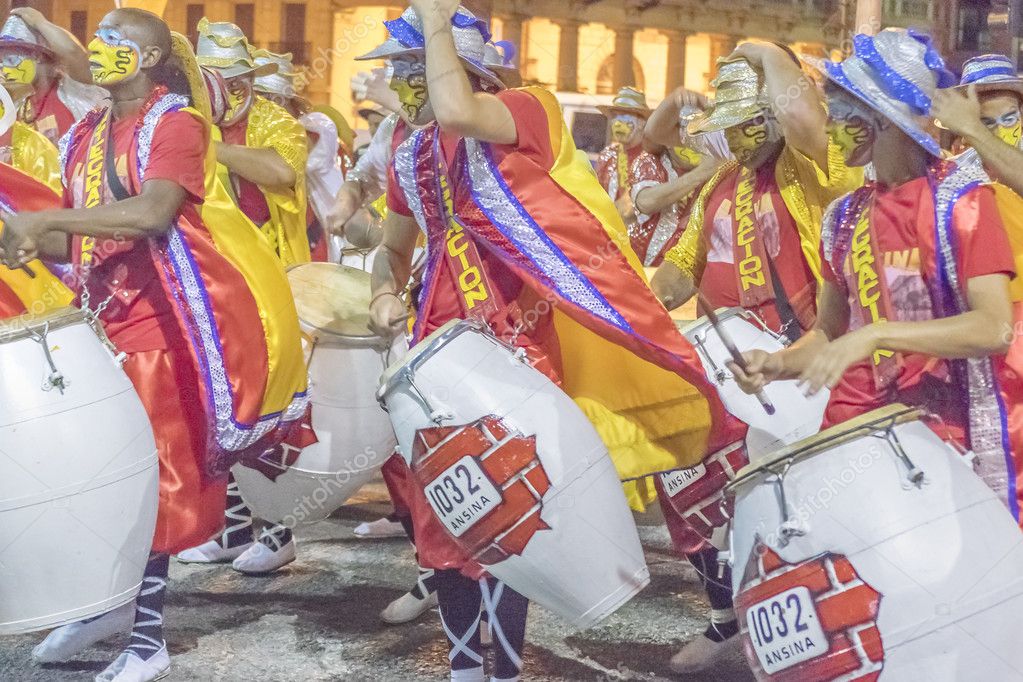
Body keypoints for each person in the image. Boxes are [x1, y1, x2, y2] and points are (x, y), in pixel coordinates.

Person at [366, 5, 732, 680]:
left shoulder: (525, 110)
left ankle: (504, 671)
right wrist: (382, 293)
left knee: (510, 516)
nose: (396, 82)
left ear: (459, 67)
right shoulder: (408, 152)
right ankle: (464, 669)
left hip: (519, 348)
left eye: (409, 67)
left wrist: (436, 19)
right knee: (444, 519)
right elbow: (392, 249)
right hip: (437, 354)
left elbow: (456, 111)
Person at [1, 9, 308, 679]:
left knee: (153, 483)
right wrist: (24, 236)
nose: (98, 48)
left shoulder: (178, 124)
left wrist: (47, 220)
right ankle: (105, 603)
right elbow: (77, 240)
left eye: (113, 40)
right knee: (94, 472)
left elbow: (151, 213)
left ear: (143, 59)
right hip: (101, 325)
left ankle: (147, 641)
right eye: (97, 38)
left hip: (159, 330)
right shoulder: (87, 133)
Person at [731, 29, 1021, 521]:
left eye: (840, 114)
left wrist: (877, 334)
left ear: (879, 119)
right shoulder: (842, 217)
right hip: (848, 440)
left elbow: (994, 328)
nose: (829, 127)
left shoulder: (964, 202)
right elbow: (828, 333)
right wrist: (777, 365)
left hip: (936, 446)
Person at [647, 44, 862, 674]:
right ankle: (725, 616)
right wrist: (638, 308)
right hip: (731, 373)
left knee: (797, 511)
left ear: (770, 118)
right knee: (686, 486)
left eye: (744, 126)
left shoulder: (812, 169)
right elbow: (681, 266)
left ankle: (824, 634)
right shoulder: (720, 182)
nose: (733, 142)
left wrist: (767, 53)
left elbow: (806, 121)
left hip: (806, 369)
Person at [194, 18, 310, 266]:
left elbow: (282, 171)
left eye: (238, 78)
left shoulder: (275, 119)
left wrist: (207, 146)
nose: (232, 87)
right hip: (203, 259)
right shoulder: (186, 117)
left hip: (266, 258)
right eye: (218, 81)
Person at [0, 9, 104, 144]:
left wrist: (40, 22)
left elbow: (74, 53)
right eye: (2, 63)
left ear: (38, 56)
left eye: (12, 60)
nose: (5, 71)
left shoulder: (73, 91)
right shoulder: (14, 106)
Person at [594, 86, 651, 228]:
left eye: (625, 117)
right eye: (615, 117)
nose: (618, 123)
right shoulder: (607, 155)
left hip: (641, 236)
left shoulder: (653, 159)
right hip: (608, 234)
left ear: (642, 123)